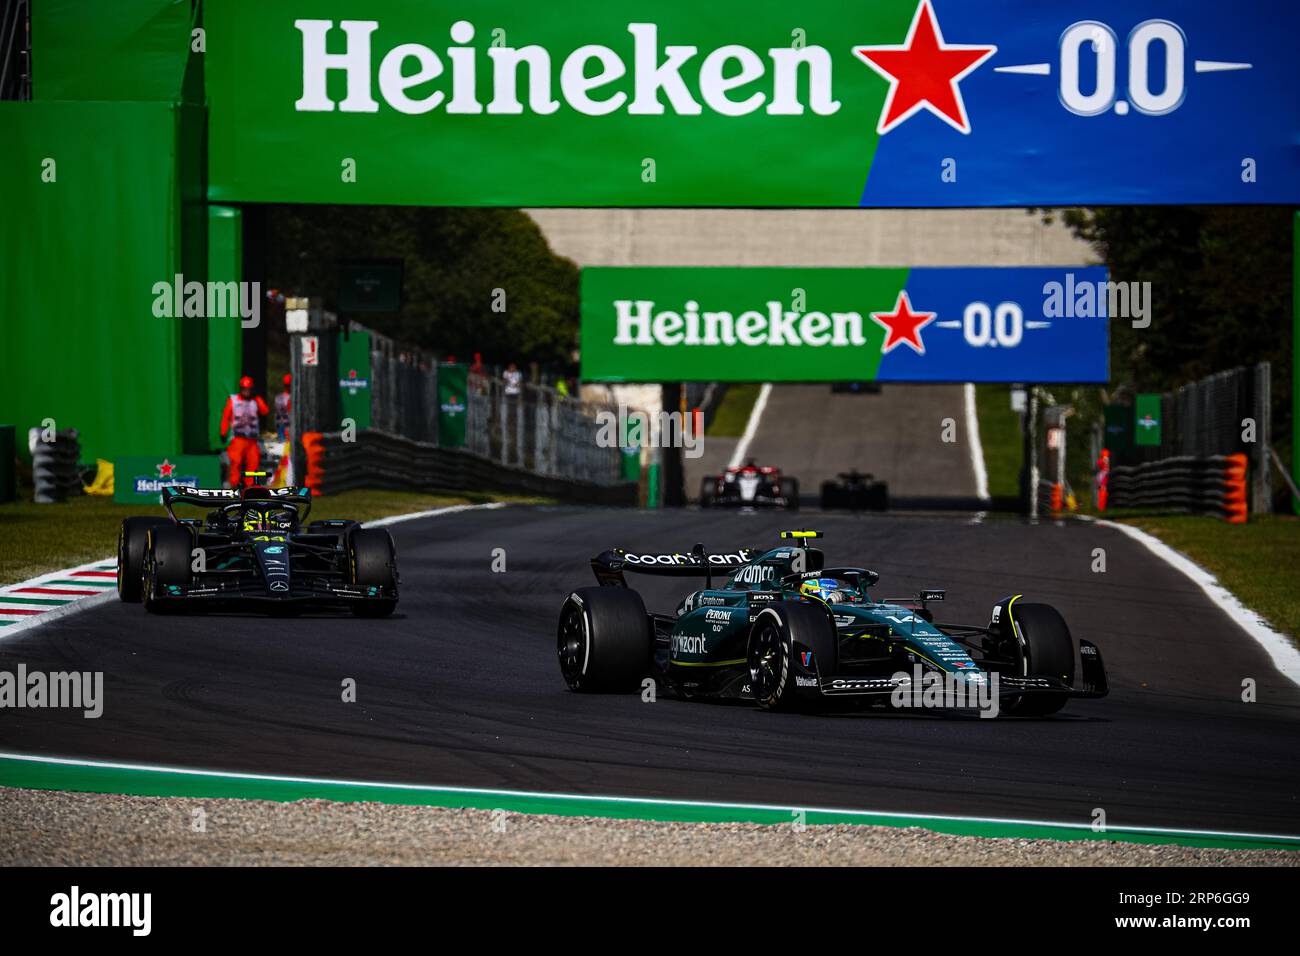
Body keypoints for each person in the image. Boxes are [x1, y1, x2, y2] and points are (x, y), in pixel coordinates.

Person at [220, 375, 269, 488]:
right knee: (235, 461)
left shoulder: (255, 400)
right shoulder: (233, 400)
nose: (246, 392)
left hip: (252, 439)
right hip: (238, 438)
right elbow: (226, 417)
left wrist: (258, 400)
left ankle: (250, 485)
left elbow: (265, 411)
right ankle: (234, 484)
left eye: (249, 389)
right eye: (244, 389)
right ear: (241, 388)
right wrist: (223, 432)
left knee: (253, 462)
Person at [274, 374, 292, 440]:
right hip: (284, 428)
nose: (288, 387)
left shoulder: (278, 397)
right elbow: (279, 417)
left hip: (288, 427)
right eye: (287, 385)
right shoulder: (279, 398)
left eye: (289, 385)